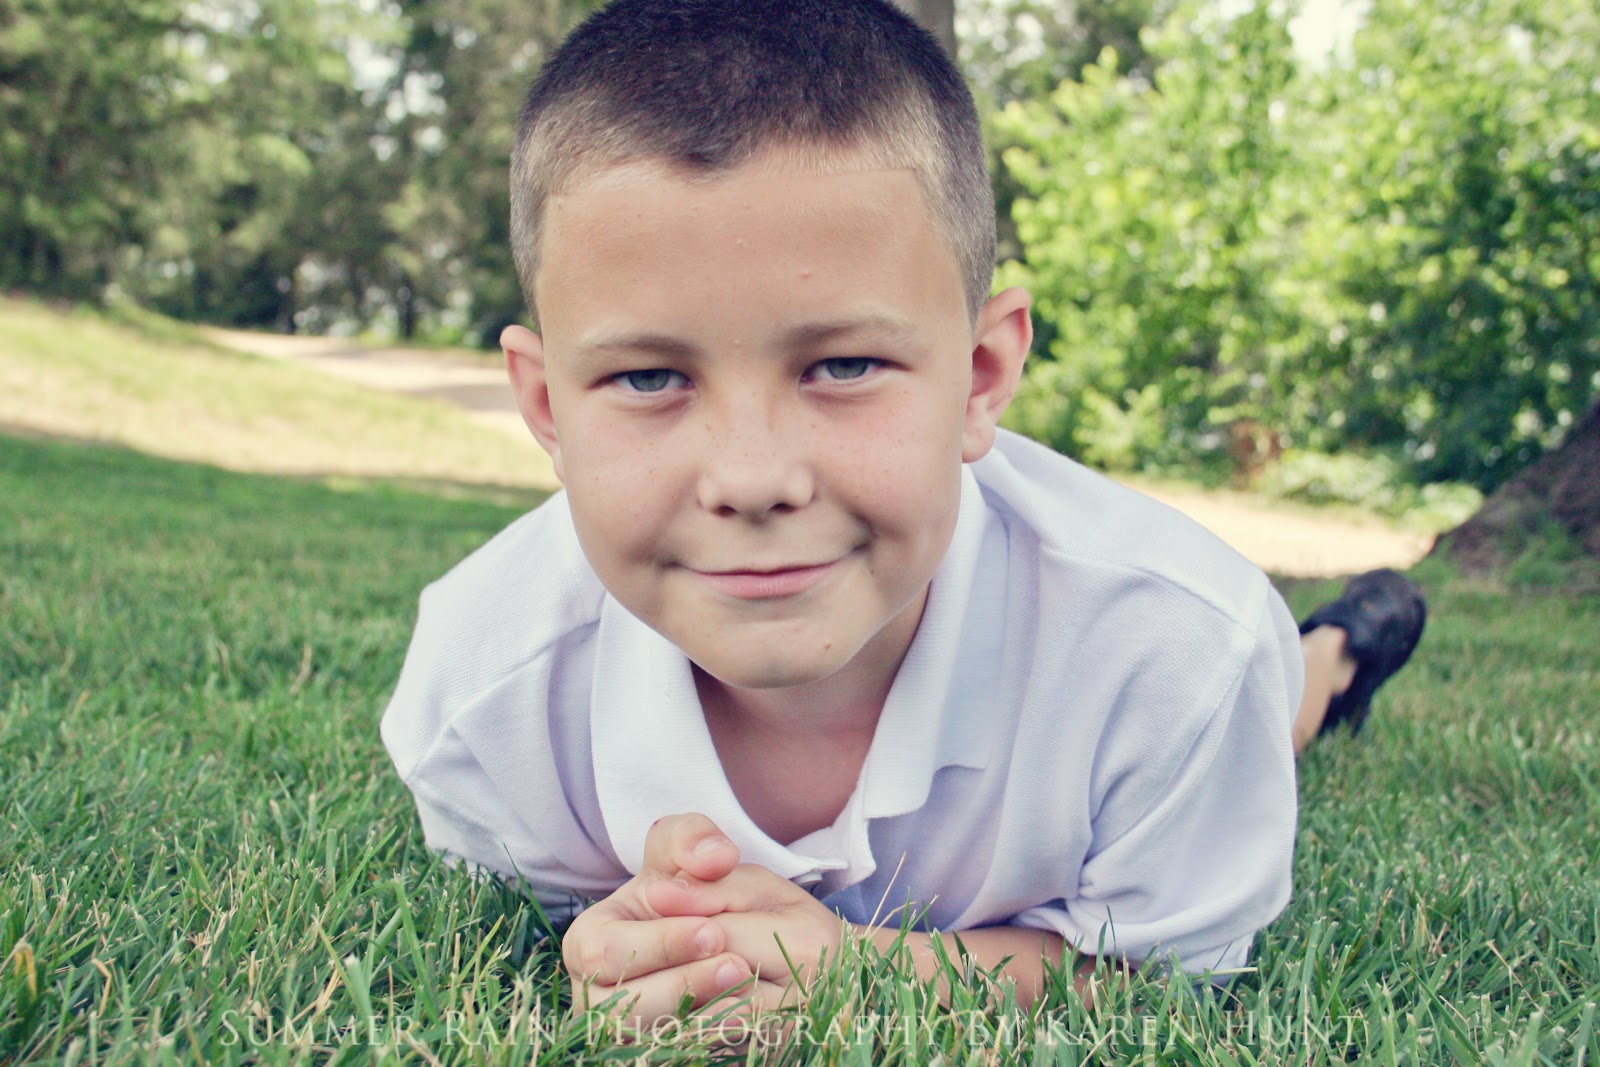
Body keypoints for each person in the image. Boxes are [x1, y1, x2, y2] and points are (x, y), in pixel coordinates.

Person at [379, 0, 1427, 1030]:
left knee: (1271, 707)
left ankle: (1332, 654)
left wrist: (869, 975)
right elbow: (558, 929)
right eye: (649, 376)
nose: (750, 478)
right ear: (545, 405)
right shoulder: (483, 696)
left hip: (1231, 677)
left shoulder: (1177, 652)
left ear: (979, 377)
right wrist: (629, 937)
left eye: (843, 364)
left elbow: (1166, 978)